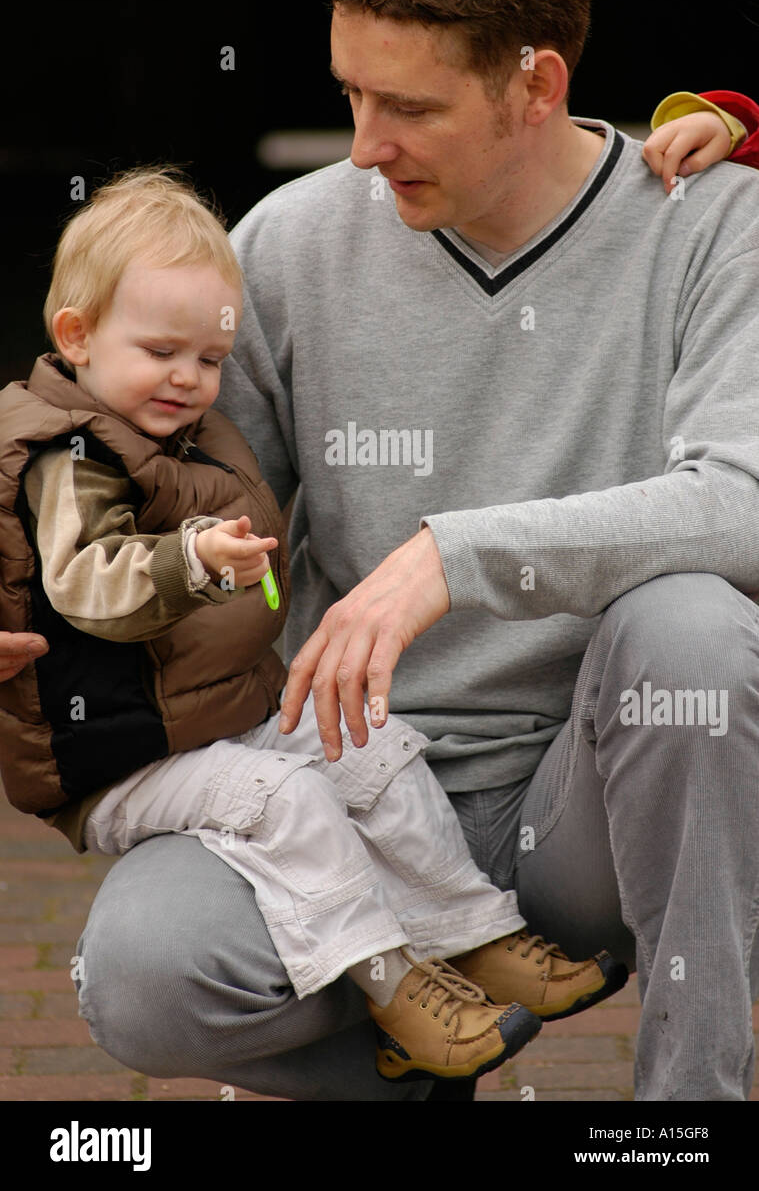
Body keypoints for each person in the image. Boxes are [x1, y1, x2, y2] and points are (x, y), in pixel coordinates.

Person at [2, 0, 758, 1102]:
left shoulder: (714, 221)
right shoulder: (293, 242)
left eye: (406, 106)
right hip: (335, 787)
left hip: (591, 807)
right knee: (138, 976)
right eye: (351, 93)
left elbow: (745, 502)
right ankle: (426, 1035)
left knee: (697, 633)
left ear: (537, 84)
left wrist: (450, 556)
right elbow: (133, 491)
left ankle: (689, 1117)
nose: (363, 146)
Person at [0, 166, 631, 1088]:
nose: (190, 379)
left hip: (209, 726)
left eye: (210, 360)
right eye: (162, 351)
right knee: (289, 802)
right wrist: (196, 561)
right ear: (77, 336)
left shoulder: (176, 434)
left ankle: (474, 935)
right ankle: (396, 989)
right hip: (115, 765)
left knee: (365, 743)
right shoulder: (74, 458)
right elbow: (85, 586)